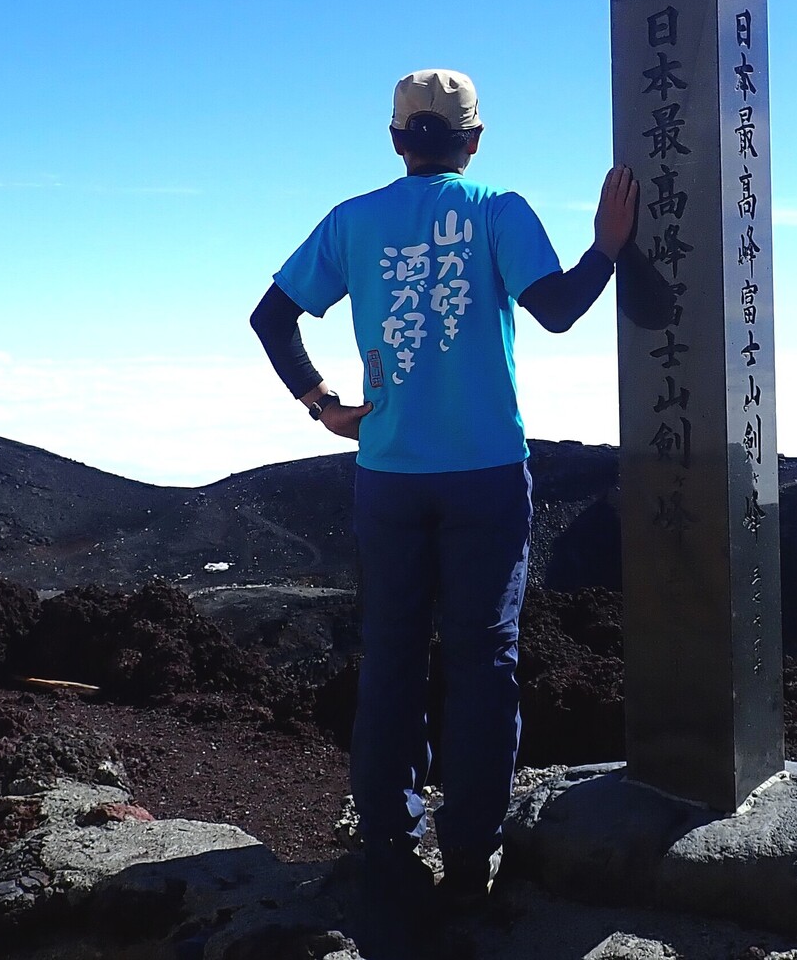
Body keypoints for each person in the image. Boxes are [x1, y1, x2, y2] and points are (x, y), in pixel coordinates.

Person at [251, 69, 637, 949]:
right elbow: (560, 311)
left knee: (390, 655)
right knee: (483, 661)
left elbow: (271, 317)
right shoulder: (501, 209)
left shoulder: (353, 220)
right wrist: (606, 248)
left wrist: (325, 405)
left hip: (388, 474)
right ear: (475, 138)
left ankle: (387, 844)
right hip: (486, 474)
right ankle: (470, 856)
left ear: (395, 139)